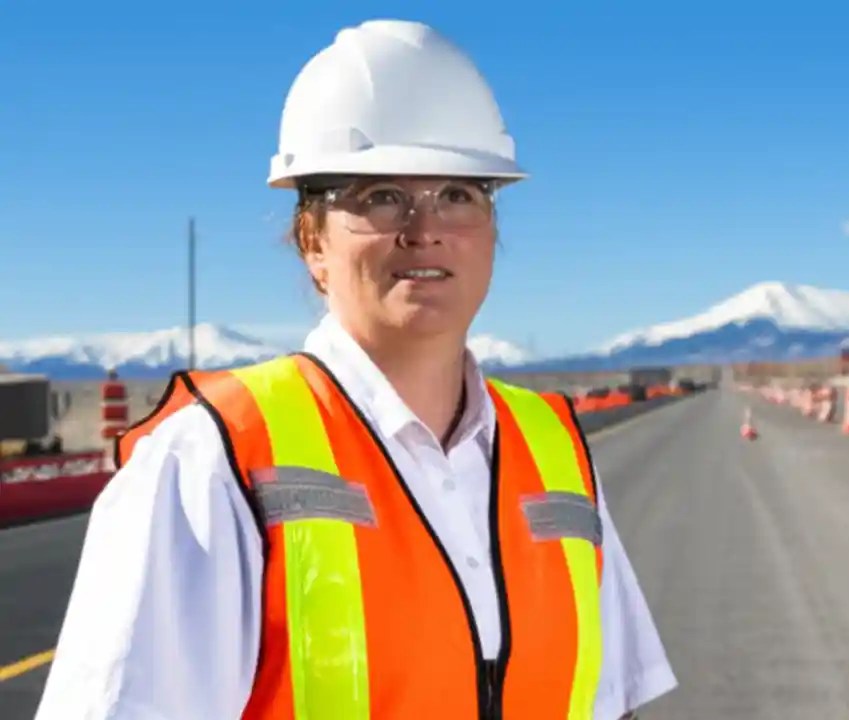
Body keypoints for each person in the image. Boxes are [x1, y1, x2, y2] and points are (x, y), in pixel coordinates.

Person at [35, 18, 676, 719]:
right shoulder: (211, 458)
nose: (425, 230)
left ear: (492, 228)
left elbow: (606, 701)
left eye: (458, 195)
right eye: (380, 197)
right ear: (312, 240)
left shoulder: (554, 448)